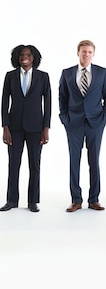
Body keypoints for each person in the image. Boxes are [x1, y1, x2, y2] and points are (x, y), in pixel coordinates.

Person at [59, 40, 106, 212]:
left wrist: (104, 119)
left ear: (93, 54)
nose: (86, 55)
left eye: (90, 52)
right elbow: (62, 97)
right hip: (73, 123)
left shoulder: (102, 73)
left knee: (94, 161)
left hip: (95, 123)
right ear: (78, 53)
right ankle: (76, 200)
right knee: (74, 161)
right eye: (83, 52)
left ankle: (94, 199)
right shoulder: (67, 73)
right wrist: (64, 118)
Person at [1, 45, 51, 212]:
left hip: (36, 128)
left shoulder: (43, 77)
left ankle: (32, 201)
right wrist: (5, 127)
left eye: (28, 55)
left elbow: (48, 103)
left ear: (34, 57)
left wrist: (46, 127)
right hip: (14, 128)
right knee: (13, 164)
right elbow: (4, 102)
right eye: (21, 55)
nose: (25, 57)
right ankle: (11, 200)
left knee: (34, 165)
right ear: (17, 57)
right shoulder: (10, 76)